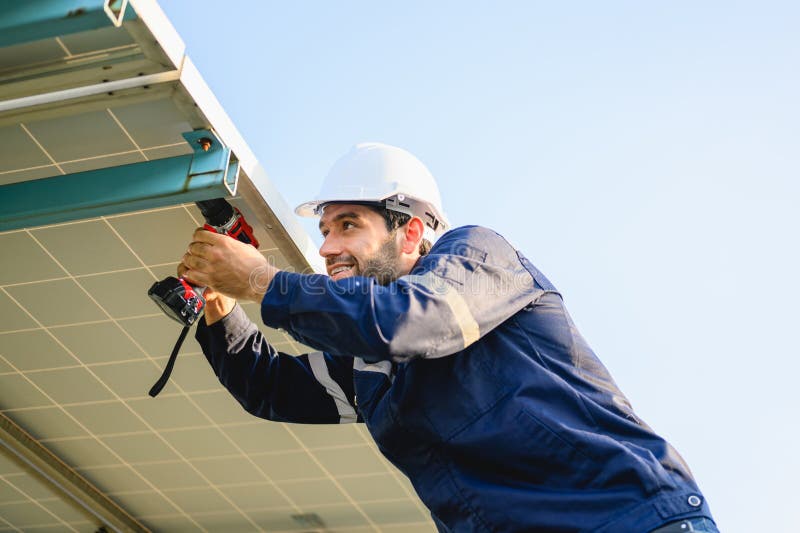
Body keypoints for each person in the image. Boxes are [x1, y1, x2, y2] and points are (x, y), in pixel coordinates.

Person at [179, 142, 717, 532]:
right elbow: (271, 388)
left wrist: (261, 280)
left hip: (631, 522)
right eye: (325, 231)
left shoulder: (478, 258)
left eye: (347, 225)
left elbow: (411, 322)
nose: (325, 249)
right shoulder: (372, 364)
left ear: (411, 231)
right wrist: (220, 302)